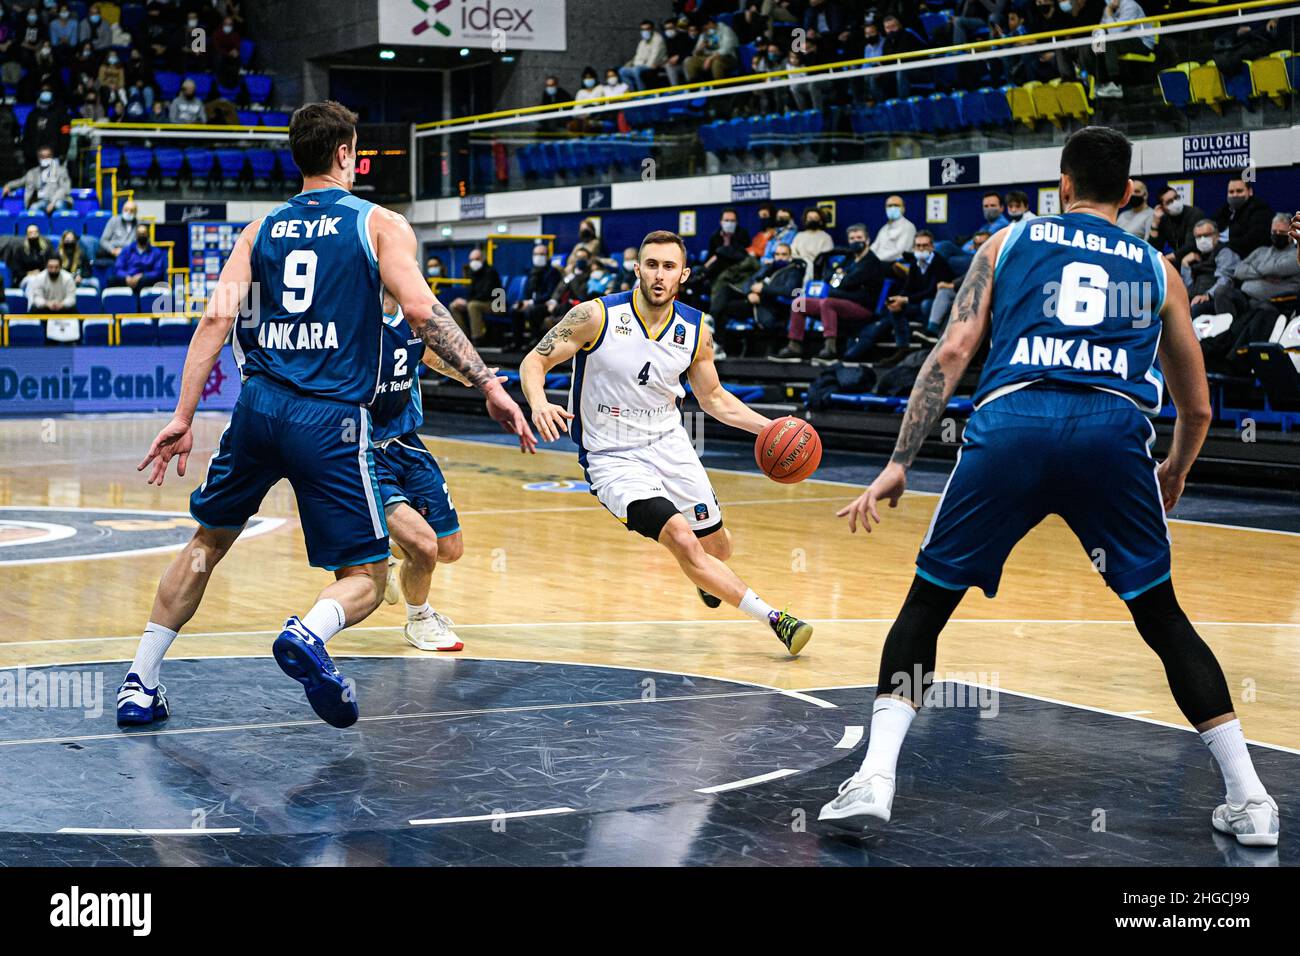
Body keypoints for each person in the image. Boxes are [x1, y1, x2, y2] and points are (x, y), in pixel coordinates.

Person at [820, 126, 1278, 848]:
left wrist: (900, 460)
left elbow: (952, 351)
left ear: (1061, 184)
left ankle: (874, 780)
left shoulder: (1007, 244)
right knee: (1161, 615)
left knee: (927, 605)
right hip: (1113, 433)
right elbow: (1198, 407)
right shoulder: (1161, 270)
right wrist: (1176, 469)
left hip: (1013, 422)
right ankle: (1252, 800)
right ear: (1130, 195)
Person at [118, 101, 534, 731]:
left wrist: (183, 415)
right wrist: (488, 383)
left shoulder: (259, 231)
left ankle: (140, 682)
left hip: (256, 409)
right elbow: (421, 312)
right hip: (332, 419)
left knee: (206, 542)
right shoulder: (379, 224)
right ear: (345, 152)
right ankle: (309, 634)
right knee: (365, 574)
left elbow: (214, 320)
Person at [520, 230, 815, 656]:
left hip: (669, 445)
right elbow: (536, 359)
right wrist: (538, 401)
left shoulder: (696, 331)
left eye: (669, 267)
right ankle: (775, 619)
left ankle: (707, 578)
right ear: (637, 269)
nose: (660, 275)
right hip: (612, 456)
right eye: (652, 265)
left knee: (718, 547)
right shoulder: (595, 316)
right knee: (680, 536)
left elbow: (713, 398)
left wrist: (769, 430)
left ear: (684, 274)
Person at [373, 290, 487, 652]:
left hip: (406, 443)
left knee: (448, 548)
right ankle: (419, 619)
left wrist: (470, 375)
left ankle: (381, 553)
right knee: (422, 546)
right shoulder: (349, 314)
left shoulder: (412, 314)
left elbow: (430, 356)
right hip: (361, 450)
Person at [773, 223, 885, 362]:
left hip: (862, 307)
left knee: (827, 302)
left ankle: (830, 349)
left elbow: (846, 282)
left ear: (867, 240)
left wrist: (838, 281)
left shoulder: (871, 262)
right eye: (852, 238)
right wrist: (838, 280)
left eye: (859, 237)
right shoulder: (850, 258)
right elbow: (829, 278)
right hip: (840, 301)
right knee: (799, 303)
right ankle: (794, 346)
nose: (855, 241)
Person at [844, 230, 954, 363]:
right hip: (918, 301)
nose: (921, 249)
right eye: (918, 246)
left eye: (925, 245)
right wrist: (898, 299)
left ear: (932, 246)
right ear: (913, 247)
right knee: (894, 306)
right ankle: (902, 348)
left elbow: (933, 291)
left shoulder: (938, 262)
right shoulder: (915, 262)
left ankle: (930, 342)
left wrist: (906, 299)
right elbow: (908, 288)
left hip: (936, 303)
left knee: (926, 304)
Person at [1179, 219, 1239, 318]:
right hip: (1196, 298)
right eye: (1198, 237)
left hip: (1216, 299)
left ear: (1217, 236)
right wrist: (1184, 265)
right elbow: (1189, 290)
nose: (1202, 240)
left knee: (1196, 309)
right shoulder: (1194, 256)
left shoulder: (1224, 252)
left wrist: (1207, 295)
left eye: (1206, 235)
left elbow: (1225, 280)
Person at [512, 244, 563, 348]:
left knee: (532, 310)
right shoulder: (532, 271)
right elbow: (527, 291)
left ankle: (536, 340)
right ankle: (517, 342)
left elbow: (550, 293)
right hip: (533, 302)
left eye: (541, 254)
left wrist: (532, 302)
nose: (538, 256)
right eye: (535, 254)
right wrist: (523, 302)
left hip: (545, 304)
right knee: (515, 310)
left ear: (548, 256)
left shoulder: (553, 272)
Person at [447, 248, 502, 342]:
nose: (473, 262)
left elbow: (486, 294)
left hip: (495, 304)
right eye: (471, 260)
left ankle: (478, 337)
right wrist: (464, 301)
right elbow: (470, 292)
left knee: (473, 305)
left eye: (476, 259)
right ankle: (462, 337)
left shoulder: (490, 272)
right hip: (479, 302)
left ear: (483, 259)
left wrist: (467, 302)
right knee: (454, 306)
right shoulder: (473, 273)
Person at [1212, 177, 1274, 260]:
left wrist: (1223, 246)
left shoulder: (1260, 210)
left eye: (1239, 191)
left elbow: (1254, 241)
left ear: (1250, 192)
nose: (1235, 195)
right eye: (1231, 192)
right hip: (1218, 255)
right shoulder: (1225, 210)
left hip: (1246, 258)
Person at [2, 146, 71, 212]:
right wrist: (8, 186)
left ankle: (61, 224)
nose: (45, 159)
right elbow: (20, 182)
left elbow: (64, 189)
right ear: (38, 158)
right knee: (34, 207)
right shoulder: (32, 173)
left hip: (56, 199)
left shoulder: (61, 171)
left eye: (48, 156)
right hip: (41, 201)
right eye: (42, 157)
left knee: (59, 205)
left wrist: (53, 202)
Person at [1147, 184, 1203, 263]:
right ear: (1163, 207)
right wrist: (1155, 223)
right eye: (1169, 202)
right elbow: (1154, 249)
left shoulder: (1194, 214)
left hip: (1196, 258)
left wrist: (1167, 259)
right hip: (1178, 260)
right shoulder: (1164, 219)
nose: (1175, 202)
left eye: (1176, 198)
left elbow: (1191, 244)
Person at [111, 224, 168, 290]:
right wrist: (126, 277)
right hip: (128, 279)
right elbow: (118, 268)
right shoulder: (127, 250)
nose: (141, 236)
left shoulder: (156, 252)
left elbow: (158, 272)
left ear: (148, 235)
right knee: (111, 280)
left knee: (144, 281)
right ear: (136, 235)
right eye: (139, 234)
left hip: (145, 280)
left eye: (143, 233)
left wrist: (142, 276)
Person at [685, 16, 739, 82]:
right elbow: (695, 53)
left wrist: (710, 58)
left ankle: (719, 87)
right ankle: (694, 87)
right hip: (708, 57)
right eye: (703, 29)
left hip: (727, 57)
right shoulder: (703, 34)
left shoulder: (725, 29)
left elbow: (726, 48)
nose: (705, 31)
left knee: (717, 63)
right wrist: (699, 49)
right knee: (690, 62)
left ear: (710, 23)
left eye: (705, 28)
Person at [620, 20, 667, 92]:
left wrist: (638, 66)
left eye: (647, 29)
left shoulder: (658, 39)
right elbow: (638, 56)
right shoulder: (642, 42)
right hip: (642, 65)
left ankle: (642, 93)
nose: (645, 32)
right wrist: (635, 64)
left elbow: (654, 57)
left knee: (636, 70)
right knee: (622, 71)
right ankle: (632, 92)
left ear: (652, 29)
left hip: (655, 65)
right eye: (643, 29)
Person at [791, 206, 834, 281]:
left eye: (815, 218)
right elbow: (792, 252)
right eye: (810, 218)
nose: (812, 220)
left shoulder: (826, 237)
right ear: (806, 220)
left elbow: (824, 256)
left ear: (820, 221)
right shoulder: (799, 235)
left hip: (815, 268)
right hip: (798, 265)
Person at [871, 195, 916, 264]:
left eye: (896, 205)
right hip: (878, 262)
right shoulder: (884, 228)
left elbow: (900, 252)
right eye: (889, 206)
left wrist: (875, 258)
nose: (892, 208)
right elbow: (874, 247)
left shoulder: (908, 227)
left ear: (903, 209)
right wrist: (867, 257)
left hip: (895, 264)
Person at [96, 199, 137, 267]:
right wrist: (112, 250)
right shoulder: (114, 220)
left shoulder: (138, 224)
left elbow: (139, 244)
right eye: (126, 209)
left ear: (135, 212)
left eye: (131, 210)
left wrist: (124, 251)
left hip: (129, 252)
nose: (128, 212)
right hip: (113, 251)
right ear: (122, 210)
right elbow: (103, 240)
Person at [661, 17, 693, 87]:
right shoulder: (668, 40)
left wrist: (679, 57)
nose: (668, 30)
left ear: (675, 27)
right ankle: (675, 88)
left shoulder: (685, 36)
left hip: (685, 63)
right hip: (676, 65)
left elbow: (690, 52)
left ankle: (691, 86)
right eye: (666, 29)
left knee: (687, 60)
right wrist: (668, 60)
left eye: (670, 28)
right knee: (668, 65)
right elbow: (669, 55)